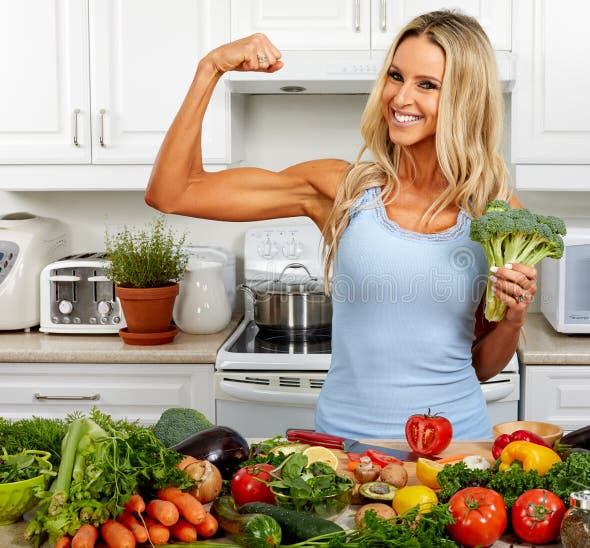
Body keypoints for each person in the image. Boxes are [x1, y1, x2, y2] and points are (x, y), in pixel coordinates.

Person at [145, 10, 538, 440]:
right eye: (395, 76)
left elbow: (480, 365)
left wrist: (514, 319)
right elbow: (172, 192)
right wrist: (210, 69)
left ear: (465, 98)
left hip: (454, 453)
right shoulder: (345, 190)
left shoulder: (494, 212)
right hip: (346, 451)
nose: (401, 98)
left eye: (427, 85)